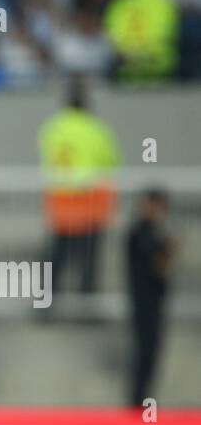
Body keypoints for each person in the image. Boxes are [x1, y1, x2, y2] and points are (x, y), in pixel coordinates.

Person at [39, 78, 121, 300]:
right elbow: (111, 163)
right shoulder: (96, 130)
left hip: (61, 201)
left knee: (57, 255)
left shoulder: (53, 128)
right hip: (90, 203)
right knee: (88, 259)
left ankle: (46, 302)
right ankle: (86, 306)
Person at [125, 189, 175, 407]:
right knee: (144, 354)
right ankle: (138, 404)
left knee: (152, 355)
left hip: (155, 303)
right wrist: (168, 248)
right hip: (143, 303)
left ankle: (144, 401)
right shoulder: (140, 234)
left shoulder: (154, 234)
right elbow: (157, 266)